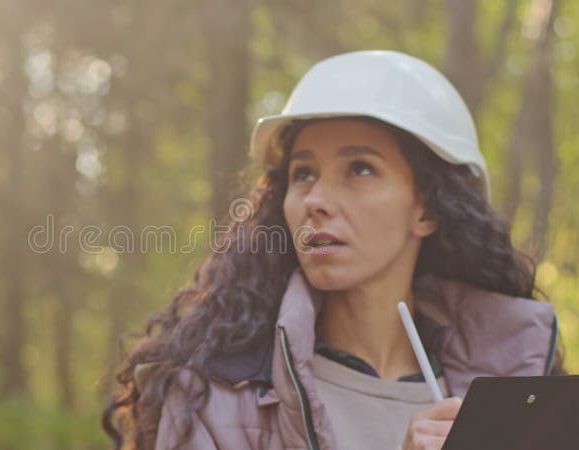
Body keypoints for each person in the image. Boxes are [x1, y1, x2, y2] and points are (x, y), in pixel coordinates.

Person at [102, 50, 565, 450]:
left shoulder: (521, 385)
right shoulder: (208, 398)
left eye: (360, 169)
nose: (317, 200)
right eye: (303, 174)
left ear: (428, 209)